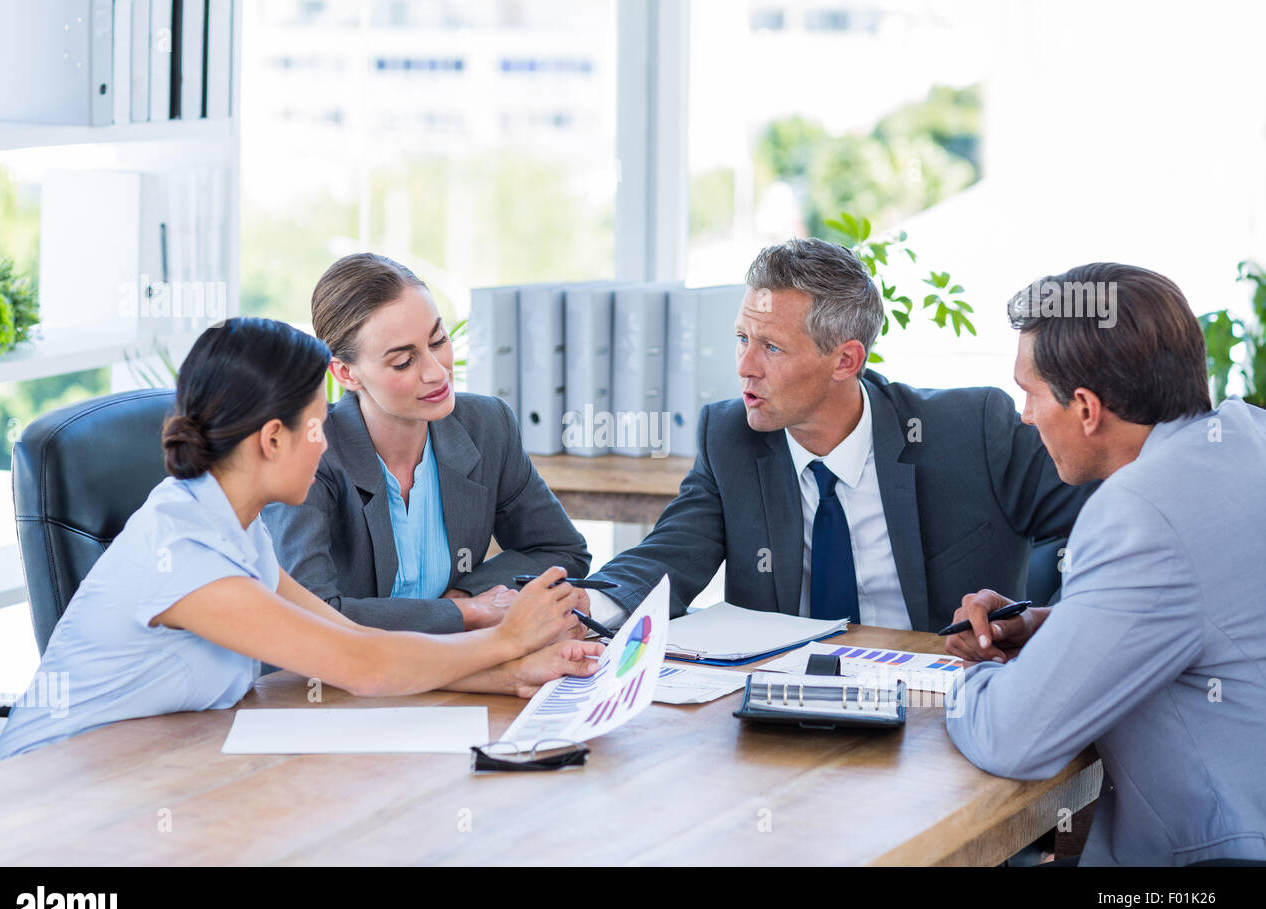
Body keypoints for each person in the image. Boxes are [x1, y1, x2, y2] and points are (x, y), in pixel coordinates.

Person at [0, 318, 599, 763]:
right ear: (272, 439)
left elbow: (355, 641)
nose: (328, 443)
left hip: (143, 773)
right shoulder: (186, 555)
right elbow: (366, 668)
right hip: (45, 798)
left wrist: (514, 673)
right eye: (316, 426)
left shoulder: (236, 527)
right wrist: (505, 638)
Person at [587, 237, 1095, 632]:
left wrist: (1045, 625)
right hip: (780, 716)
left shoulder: (972, 429)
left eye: (771, 348)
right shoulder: (729, 436)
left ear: (845, 360)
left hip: (933, 709)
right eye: (742, 339)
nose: (744, 366)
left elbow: (1113, 514)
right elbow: (667, 557)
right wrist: (583, 603)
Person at [942, 262, 1266, 866]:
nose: (1024, 416)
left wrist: (954, 681)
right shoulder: (1248, 437)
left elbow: (1013, 738)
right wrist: (1048, 626)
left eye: (1030, 393)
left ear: (1087, 408)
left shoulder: (1142, 509)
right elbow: (1200, 612)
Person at [263, 254, 591, 636]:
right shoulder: (311, 454)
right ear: (346, 373)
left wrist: (466, 593)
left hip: (454, 670)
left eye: (438, 340)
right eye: (404, 361)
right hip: (331, 685)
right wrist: (463, 614)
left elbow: (562, 551)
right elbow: (309, 615)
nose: (437, 372)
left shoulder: (488, 425)